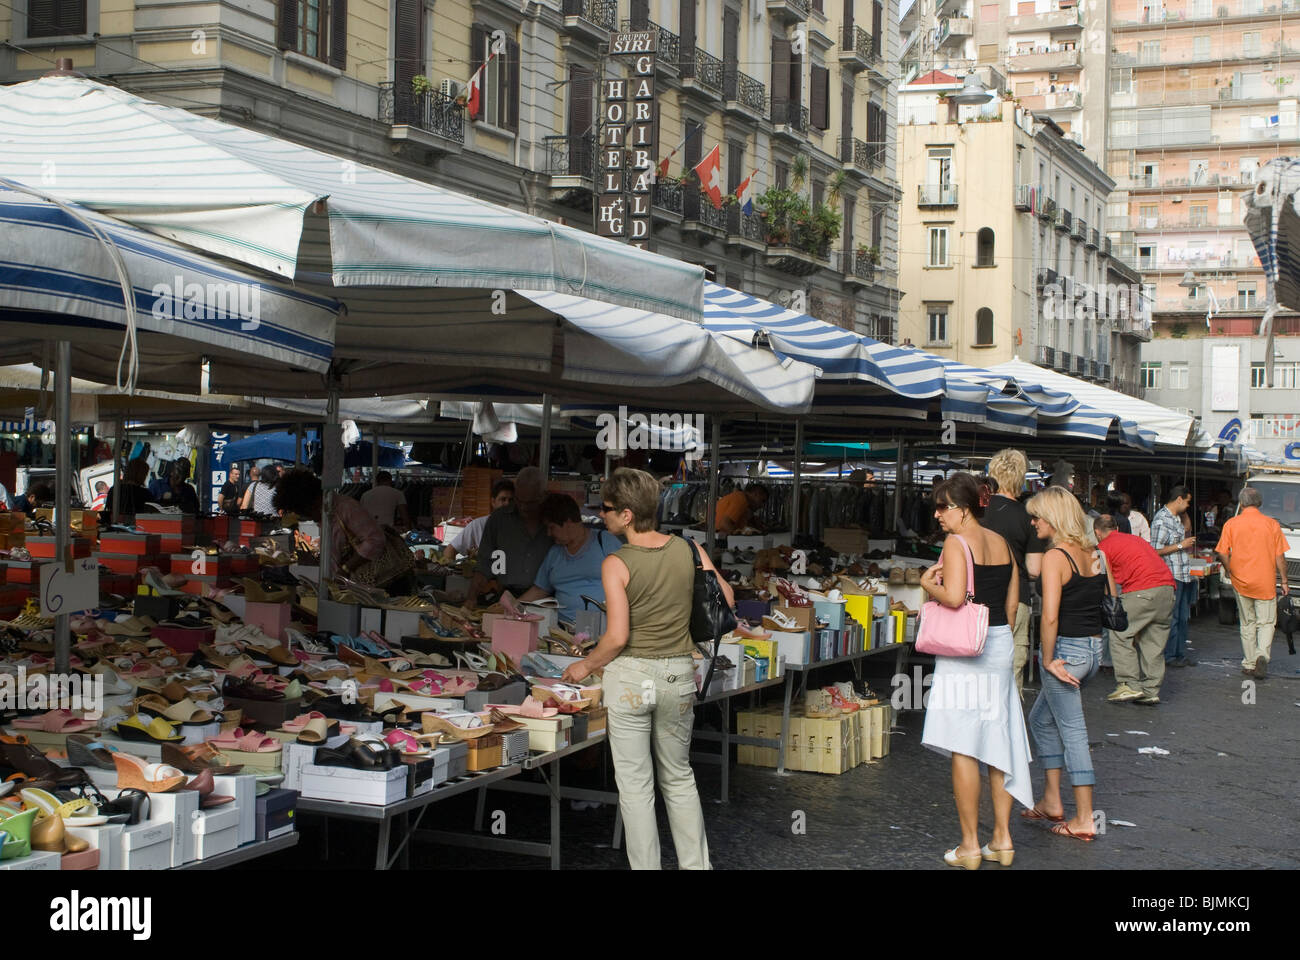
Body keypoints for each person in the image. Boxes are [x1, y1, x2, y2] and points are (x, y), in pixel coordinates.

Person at [560, 468, 730, 870]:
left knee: (636, 789)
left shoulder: (616, 563)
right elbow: (726, 597)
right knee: (678, 777)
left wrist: (584, 667)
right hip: (676, 675)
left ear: (627, 515)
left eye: (606, 509)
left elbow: (617, 637)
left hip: (632, 679)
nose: (601, 515)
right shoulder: (690, 549)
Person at [920, 473, 1032, 870]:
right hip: (999, 641)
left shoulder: (956, 543)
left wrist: (925, 584)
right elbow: (1013, 604)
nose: (937, 515)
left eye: (943, 507)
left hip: (966, 650)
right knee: (997, 742)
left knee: (964, 745)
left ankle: (969, 846)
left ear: (963, 509)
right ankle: (1002, 840)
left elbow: (952, 598)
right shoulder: (1002, 542)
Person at [1023, 486, 1115, 842]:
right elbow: (1110, 597)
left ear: (1053, 518)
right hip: (1092, 650)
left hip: (1066, 652)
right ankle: (1051, 800)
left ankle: (1084, 818)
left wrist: (1047, 660)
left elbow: (1049, 618)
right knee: (1041, 719)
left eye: (1036, 516)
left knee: (1073, 731)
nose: (1032, 522)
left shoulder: (1056, 557)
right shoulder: (1094, 553)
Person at [981, 448, 1047, 696]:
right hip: (1016, 597)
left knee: (976, 667)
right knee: (1010, 669)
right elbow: (1033, 569)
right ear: (1021, 478)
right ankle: (1007, 729)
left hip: (976, 597)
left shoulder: (976, 512)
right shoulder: (1028, 517)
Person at [1095, 515, 1175, 705]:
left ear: (1097, 532)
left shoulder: (1103, 547)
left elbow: (1105, 580)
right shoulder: (1136, 539)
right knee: (1153, 642)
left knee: (1120, 632)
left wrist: (1109, 605)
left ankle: (1129, 684)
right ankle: (1150, 691)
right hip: (1167, 591)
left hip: (1141, 591)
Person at [1215, 486, 1290, 679]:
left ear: (1242, 502)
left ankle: (1249, 663)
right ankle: (1261, 655)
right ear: (1259, 503)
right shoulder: (1271, 524)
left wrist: (1231, 570)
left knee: (1247, 622)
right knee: (1266, 623)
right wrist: (1284, 580)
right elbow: (1279, 556)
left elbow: (1222, 552)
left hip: (1241, 581)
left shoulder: (1232, 524)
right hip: (1264, 582)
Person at [273, 468, 397, 584]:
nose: (308, 517)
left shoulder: (346, 508)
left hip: (373, 583)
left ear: (313, 502)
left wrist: (345, 569)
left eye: (305, 512)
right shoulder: (327, 515)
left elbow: (375, 539)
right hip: (348, 586)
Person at [517, 494, 622, 625]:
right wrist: (514, 607)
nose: (549, 533)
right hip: (562, 631)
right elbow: (540, 589)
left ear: (568, 523)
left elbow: (631, 581)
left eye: (552, 527)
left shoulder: (605, 541)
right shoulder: (554, 553)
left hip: (603, 628)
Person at [467, 467, 551, 605]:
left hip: (546, 600)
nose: (523, 507)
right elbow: (484, 564)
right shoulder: (499, 519)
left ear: (543, 496)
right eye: (519, 500)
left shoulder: (552, 521)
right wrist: (471, 597)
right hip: (507, 595)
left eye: (530, 503)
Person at [1150, 485, 1198, 667]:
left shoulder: (1176, 518)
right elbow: (1154, 550)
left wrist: (1183, 512)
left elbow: (1187, 529)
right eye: (1187, 502)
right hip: (1171, 575)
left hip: (1183, 574)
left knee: (1183, 616)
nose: (1188, 505)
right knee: (1173, 617)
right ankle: (1170, 655)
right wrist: (1181, 545)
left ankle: (1179, 653)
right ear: (1179, 499)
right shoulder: (1162, 520)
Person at [440, 479, 514, 562]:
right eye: (503, 499)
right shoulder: (479, 525)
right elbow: (449, 552)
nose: (507, 504)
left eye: (511, 500)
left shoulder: (521, 527)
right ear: (493, 502)